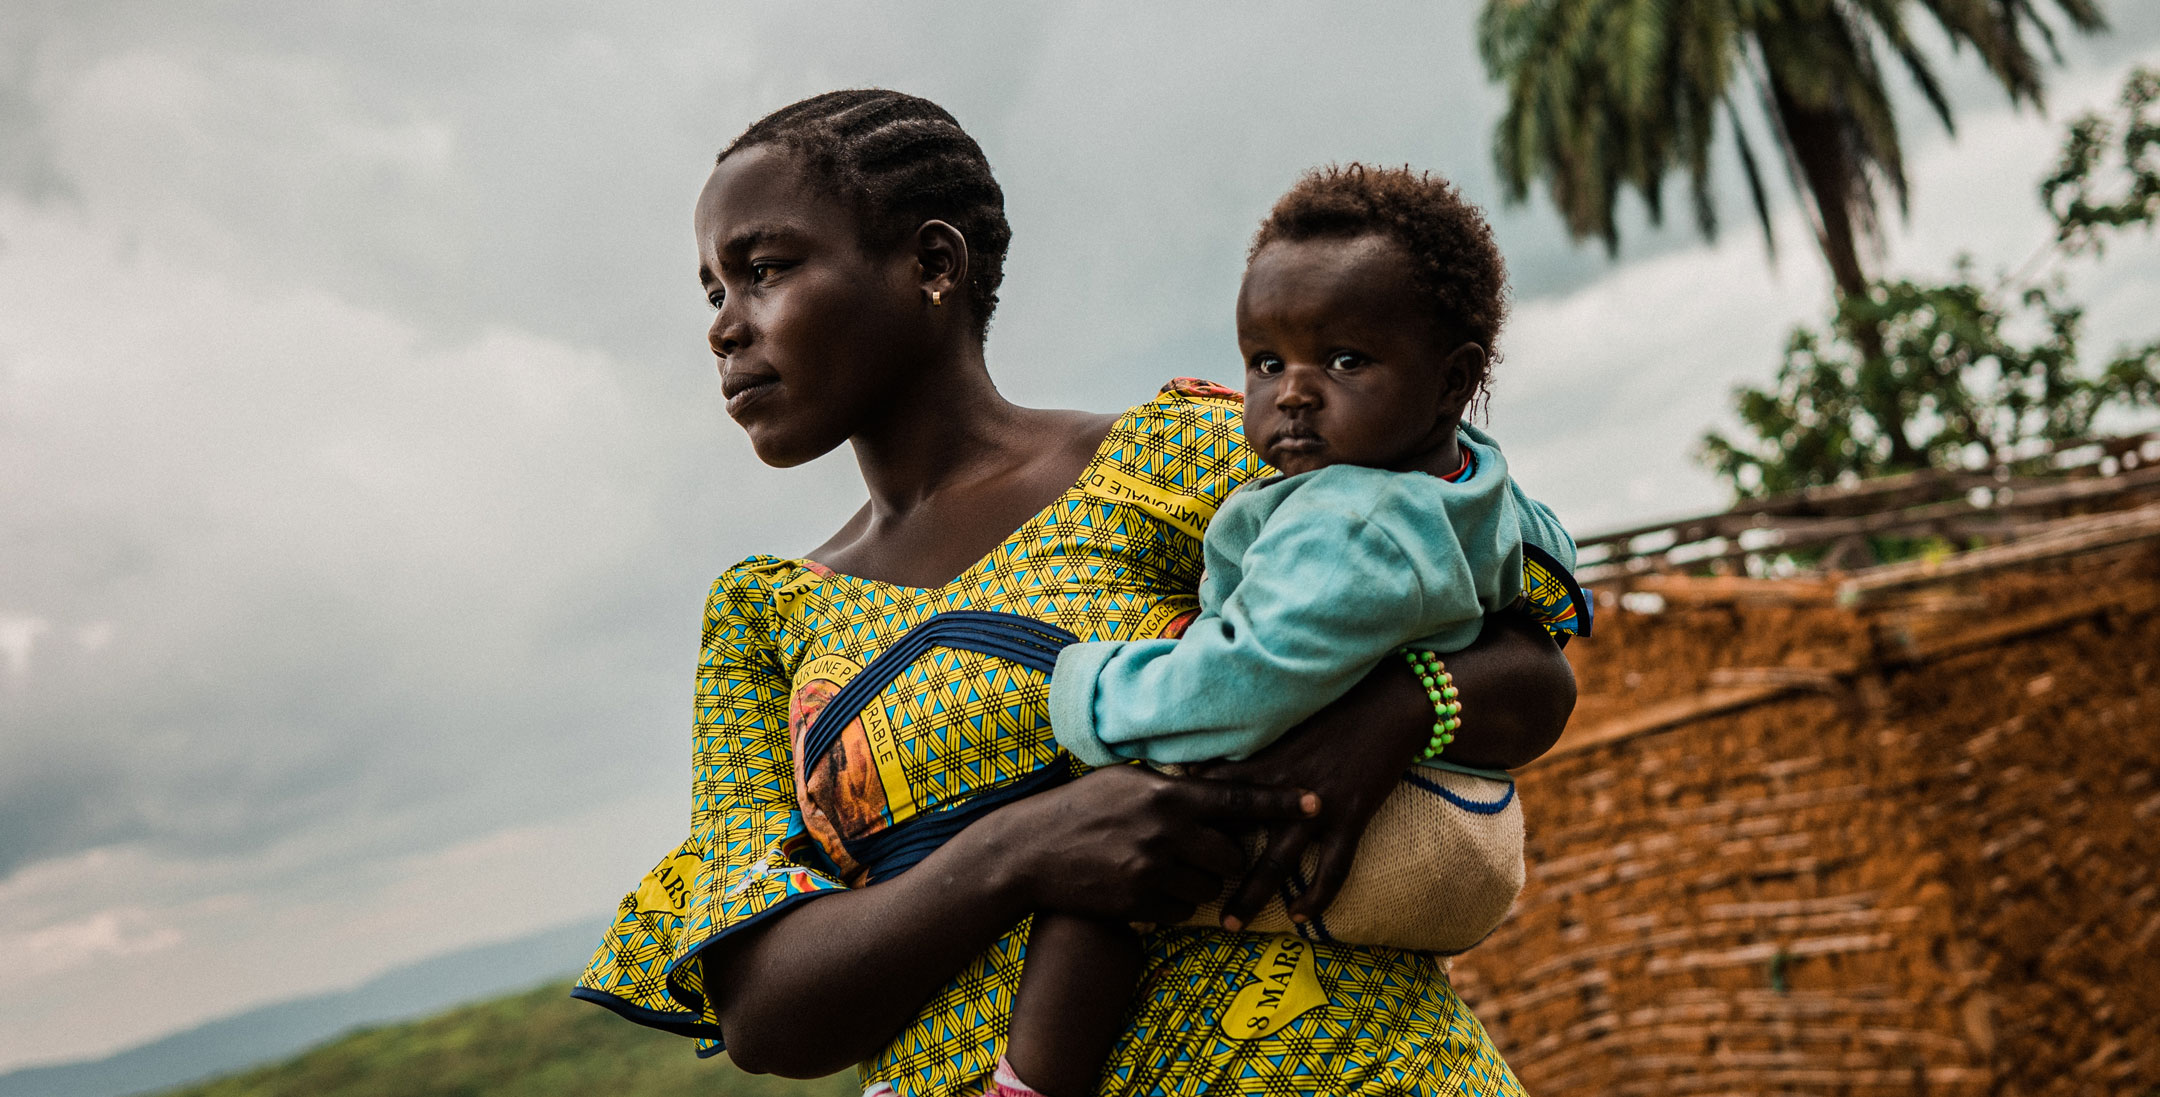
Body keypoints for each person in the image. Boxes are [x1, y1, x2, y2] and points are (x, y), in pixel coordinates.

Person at [571, 89, 1588, 1097]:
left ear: (932, 264)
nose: (725, 327)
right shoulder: (766, 619)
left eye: (764, 269)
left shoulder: (1178, 454)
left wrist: (1389, 718)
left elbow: (1530, 662)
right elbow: (767, 1012)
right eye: (713, 292)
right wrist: (1025, 849)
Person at [1003, 165, 1570, 1097]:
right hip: (1459, 817)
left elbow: (1238, 681)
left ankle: (1026, 1085)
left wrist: (1087, 691)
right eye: (1266, 362)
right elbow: (1547, 563)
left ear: (1453, 380)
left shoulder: (1346, 522)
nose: (1293, 394)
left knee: (1096, 874)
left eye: (1345, 361)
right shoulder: (1470, 481)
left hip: (1349, 823)